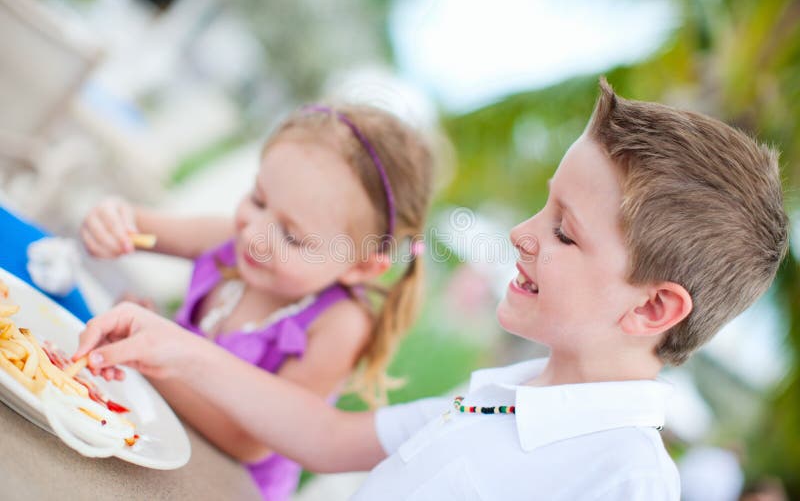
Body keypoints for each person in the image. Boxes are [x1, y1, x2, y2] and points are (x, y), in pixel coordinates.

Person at [75, 78, 788, 500]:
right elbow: (328, 438)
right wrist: (174, 348)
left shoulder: (623, 478)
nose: (522, 234)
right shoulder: (500, 394)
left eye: (565, 232)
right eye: (543, 207)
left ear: (654, 307)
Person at [78, 104, 433, 500]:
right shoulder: (229, 241)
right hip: (146, 431)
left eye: (293, 237)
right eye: (259, 199)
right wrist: (109, 221)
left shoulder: (338, 325)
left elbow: (247, 442)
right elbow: (133, 224)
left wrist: (152, 356)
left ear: (361, 267)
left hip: (220, 484)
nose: (255, 235)